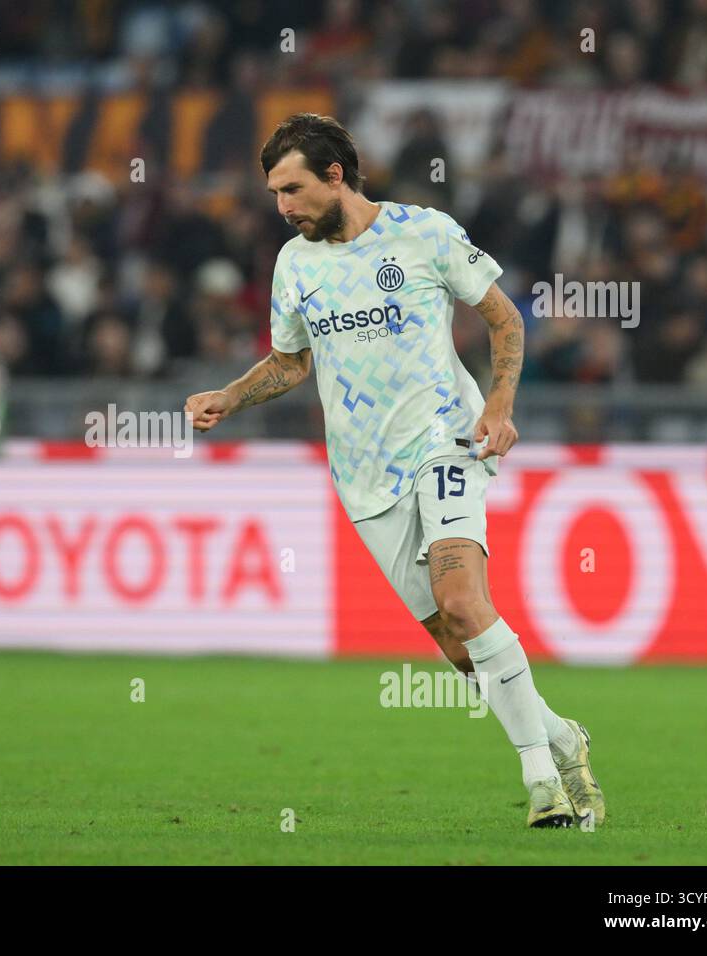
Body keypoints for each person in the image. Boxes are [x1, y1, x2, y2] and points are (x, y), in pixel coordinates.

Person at [184, 113, 603, 829]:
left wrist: (500, 403)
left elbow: (505, 320)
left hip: (445, 442)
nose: (282, 207)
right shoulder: (297, 265)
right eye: (274, 194)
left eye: (292, 189)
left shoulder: (425, 233)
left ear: (335, 175)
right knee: (457, 645)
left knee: (466, 601)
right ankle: (562, 736)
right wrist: (230, 394)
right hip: (363, 476)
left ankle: (544, 786)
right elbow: (291, 361)